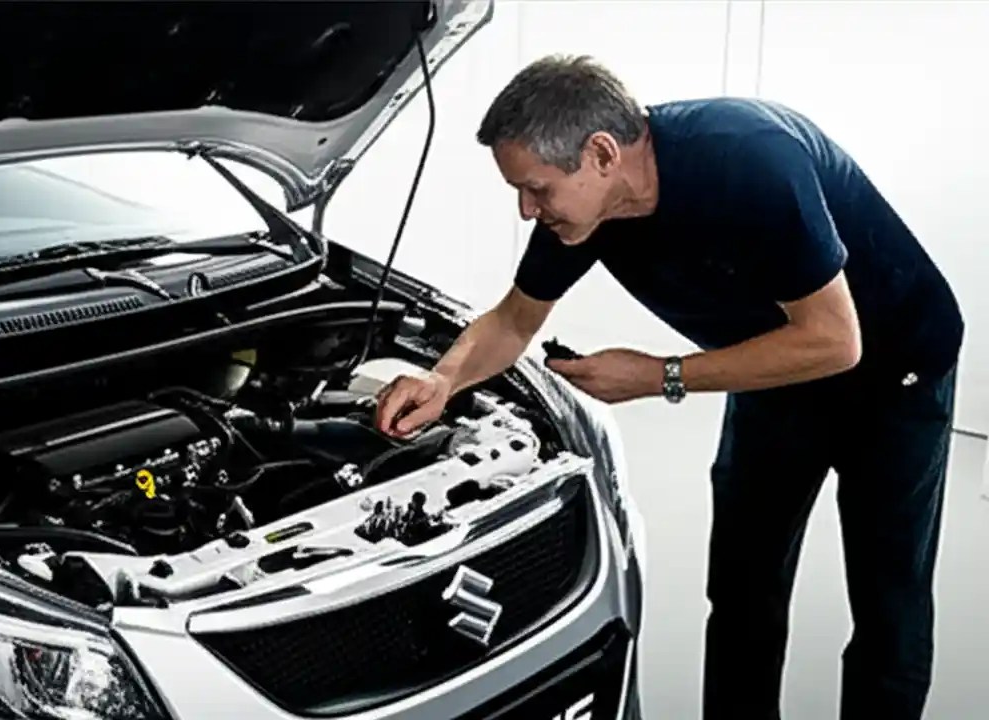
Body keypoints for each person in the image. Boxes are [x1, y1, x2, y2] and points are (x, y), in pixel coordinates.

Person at [373, 54, 963, 720]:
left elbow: (835, 341)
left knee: (890, 605)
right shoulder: (586, 212)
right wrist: (442, 378)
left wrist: (662, 376)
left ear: (600, 154)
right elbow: (513, 319)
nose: (525, 208)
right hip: (776, 366)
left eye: (536, 189)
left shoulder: (747, 162)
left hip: (894, 369)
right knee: (742, 589)